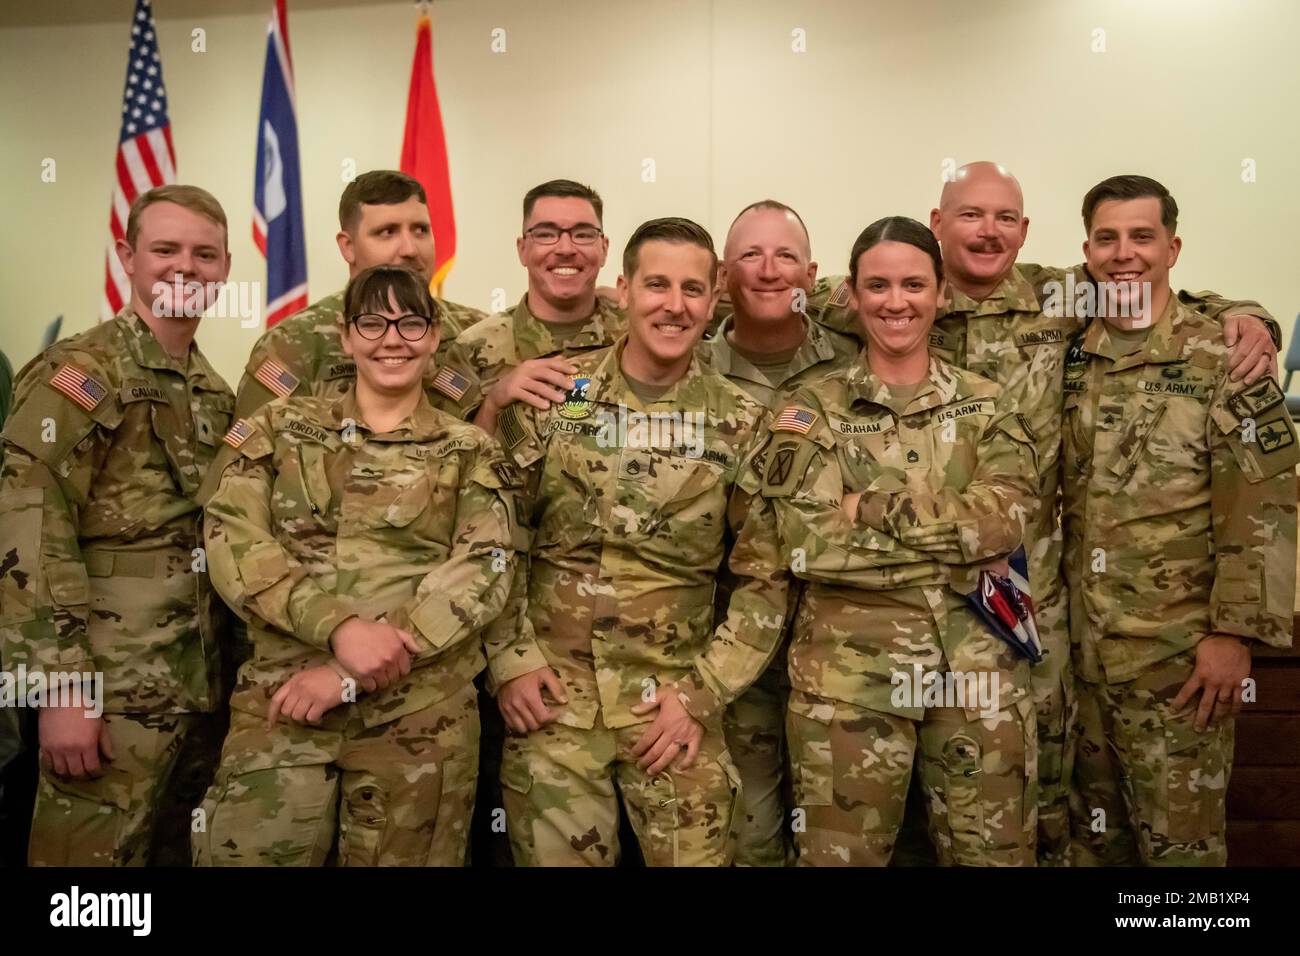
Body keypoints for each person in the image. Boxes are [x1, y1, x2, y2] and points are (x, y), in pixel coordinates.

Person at [776, 162, 1280, 864]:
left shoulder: (1061, 295)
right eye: (971, 216)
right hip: (899, 613)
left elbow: (1155, 288)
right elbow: (754, 298)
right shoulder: (889, 288)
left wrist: (1247, 317)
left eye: (1004, 218)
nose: (988, 231)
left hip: (1033, 596)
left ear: (1026, 231)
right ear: (936, 224)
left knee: (1036, 793)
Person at [732, 216, 1040, 865]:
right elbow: (806, 543)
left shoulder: (989, 404)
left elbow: (1008, 519)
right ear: (852, 293)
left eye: (912, 285)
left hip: (979, 679)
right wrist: (954, 543)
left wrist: (864, 506)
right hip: (849, 684)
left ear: (941, 294)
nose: (895, 302)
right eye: (877, 285)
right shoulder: (808, 407)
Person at [195, 265, 522, 866]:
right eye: (372, 322)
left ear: (432, 337)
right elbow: (230, 537)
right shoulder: (279, 428)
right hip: (284, 706)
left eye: (410, 323)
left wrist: (357, 671)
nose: (391, 339)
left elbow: (485, 566)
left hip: (419, 722)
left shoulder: (470, 448)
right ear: (345, 337)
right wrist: (340, 629)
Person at [488, 218, 779, 866]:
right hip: (552, 702)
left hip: (673, 706)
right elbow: (491, 538)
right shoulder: (554, 396)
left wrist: (702, 695)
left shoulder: (741, 423)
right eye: (656, 285)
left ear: (715, 298)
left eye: (692, 289)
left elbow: (767, 581)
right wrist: (510, 661)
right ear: (622, 289)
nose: (673, 305)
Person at [1062, 176, 1297, 866]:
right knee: (1092, 844)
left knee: (1181, 851)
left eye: (1142, 236)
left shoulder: (1227, 355)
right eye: (1108, 237)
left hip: (1178, 660)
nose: (1124, 252)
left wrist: (1234, 633)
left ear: (1173, 247)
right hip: (1081, 658)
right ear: (1087, 251)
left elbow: (1266, 502)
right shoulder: (1073, 349)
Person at [0, 184, 237, 866]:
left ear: (225, 270)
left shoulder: (214, 392)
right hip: (106, 691)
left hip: (197, 689)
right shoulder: (78, 373)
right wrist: (60, 687)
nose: (185, 268)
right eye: (165, 250)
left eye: (205, 254)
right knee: (86, 888)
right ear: (128, 257)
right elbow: (27, 525)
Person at [703, 200, 858, 866]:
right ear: (720, 275)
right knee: (749, 832)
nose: (768, 272)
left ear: (812, 273)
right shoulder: (689, 369)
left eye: (785, 256)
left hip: (845, 643)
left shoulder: (857, 366)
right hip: (731, 642)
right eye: (750, 255)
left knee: (846, 834)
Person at [235, 170, 485, 421]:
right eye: (388, 232)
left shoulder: (477, 333)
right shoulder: (292, 344)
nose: (410, 249)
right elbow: (253, 450)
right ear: (348, 247)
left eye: (420, 230)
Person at [451, 179, 626, 435]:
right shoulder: (472, 348)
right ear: (522, 249)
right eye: (546, 234)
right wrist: (493, 404)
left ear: (604, 248)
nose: (565, 248)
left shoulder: (635, 333)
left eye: (583, 234)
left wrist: (643, 299)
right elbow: (447, 463)